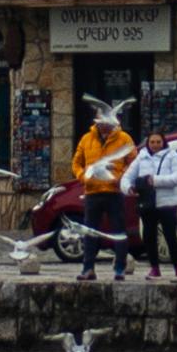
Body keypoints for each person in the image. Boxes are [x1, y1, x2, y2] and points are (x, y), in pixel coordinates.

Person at [68, 101, 138, 284]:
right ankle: (88, 268)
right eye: (100, 120)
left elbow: (134, 162)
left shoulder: (124, 139)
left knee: (119, 231)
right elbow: (76, 162)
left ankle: (120, 269)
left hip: (114, 192)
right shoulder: (86, 139)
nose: (103, 123)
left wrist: (121, 178)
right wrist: (83, 177)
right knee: (89, 231)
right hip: (92, 192)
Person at [126, 125, 177, 281]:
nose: (155, 145)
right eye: (152, 142)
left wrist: (155, 181)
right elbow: (127, 176)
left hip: (167, 203)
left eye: (158, 141)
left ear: (163, 142)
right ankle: (154, 268)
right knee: (149, 237)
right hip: (147, 203)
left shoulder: (172, 156)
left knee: (171, 235)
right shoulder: (141, 157)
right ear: (148, 143)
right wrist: (128, 188)